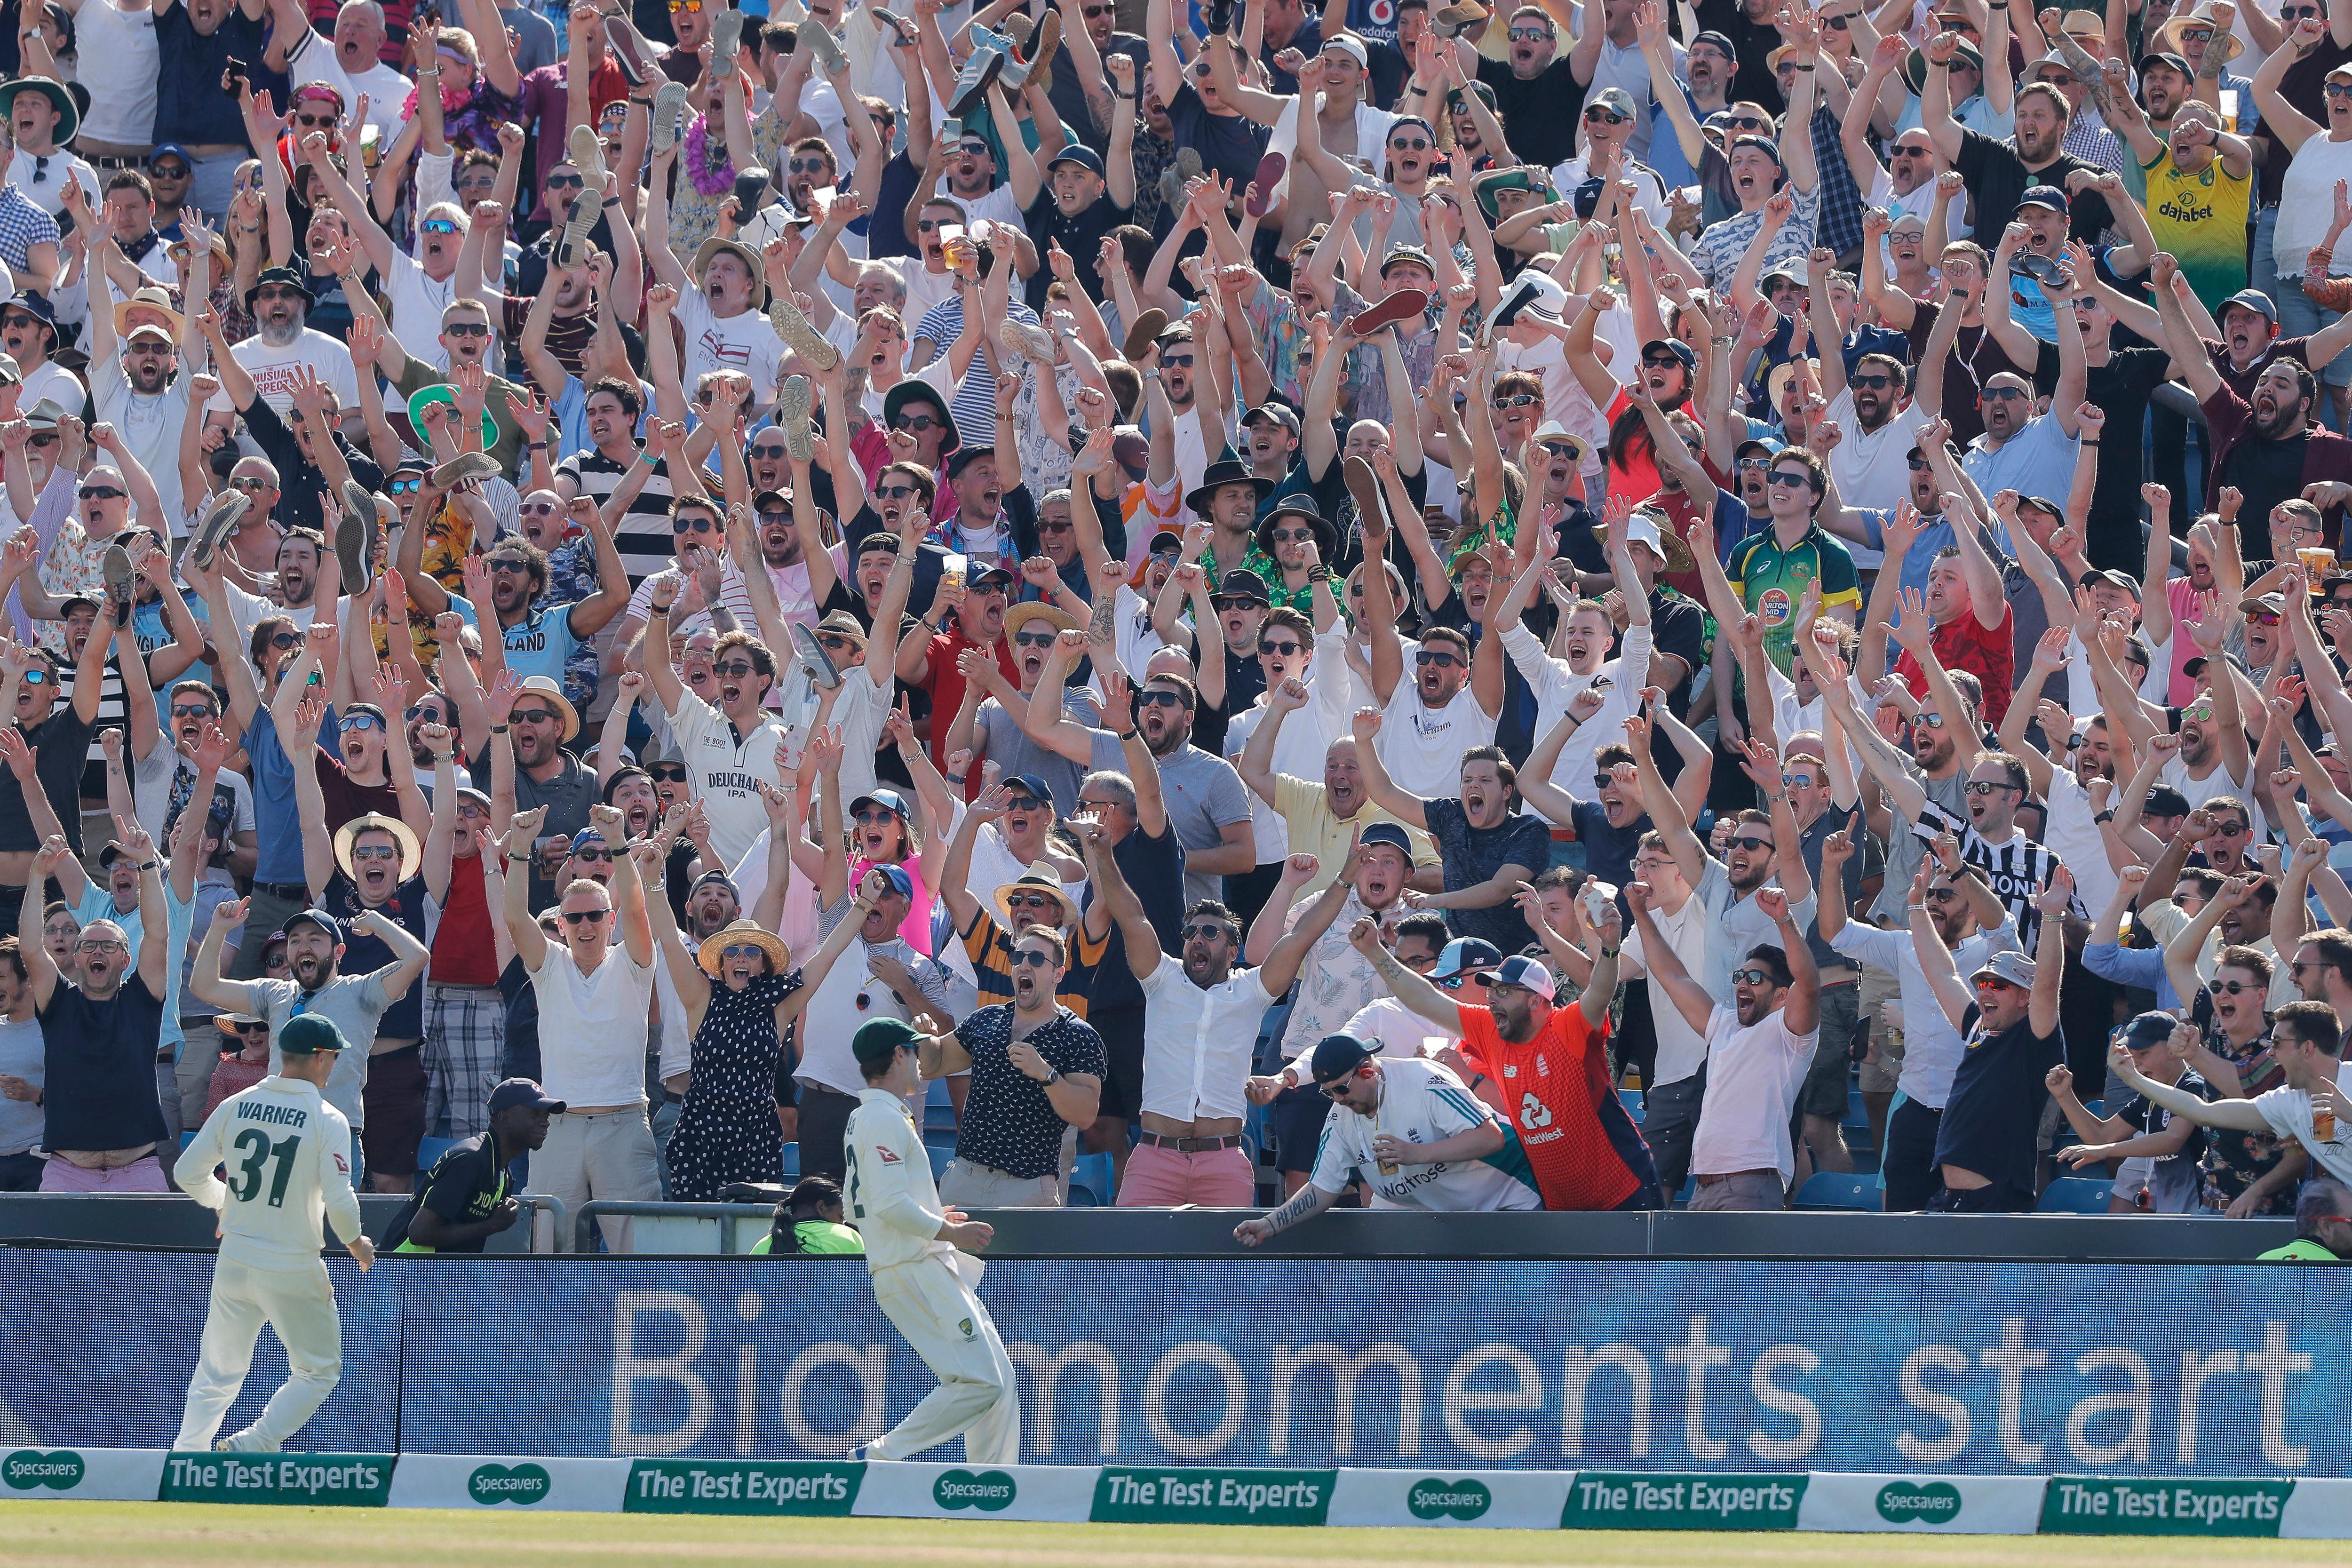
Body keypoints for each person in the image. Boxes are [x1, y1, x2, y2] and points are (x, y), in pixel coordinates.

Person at [1346, 904, 1665, 1211]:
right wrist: (1375, 952)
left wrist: (1610, 949)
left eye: (1504, 991)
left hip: (1624, 1191)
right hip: (1562, 1205)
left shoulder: (1568, 1026)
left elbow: (1600, 992)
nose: (1492, 1000)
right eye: (1490, 991)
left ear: (1534, 1000)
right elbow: (1425, 998)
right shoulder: (1490, 1030)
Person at [170, 1012, 374, 1454]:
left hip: (236, 1258)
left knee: (217, 1372)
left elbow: (188, 1172)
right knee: (318, 1370)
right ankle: (253, 1445)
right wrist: (356, 1242)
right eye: (334, 1055)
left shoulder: (238, 1102)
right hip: (290, 1261)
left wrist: (226, 1203)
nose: (335, 1063)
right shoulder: (327, 1117)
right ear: (320, 1058)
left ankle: (187, 1458)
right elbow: (340, 1199)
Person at [841, 1016, 1019, 1465]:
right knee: (984, 1382)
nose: (922, 1059)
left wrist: (929, 1212)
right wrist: (950, 1231)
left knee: (999, 1380)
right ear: (899, 1055)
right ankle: (880, 1457)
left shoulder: (869, 1116)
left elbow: (856, 1206)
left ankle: (992, 1488)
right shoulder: (882, 1117)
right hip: (914, 1266)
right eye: (915, 1050)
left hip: (913, 1262)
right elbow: (887, 1204)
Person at [1233, 1030, 1540, 1243]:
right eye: (1329, 1094)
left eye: (1341, 1088)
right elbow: (1322, 1189)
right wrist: (1270, 1223)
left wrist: (1416, 1154)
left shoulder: (1424, 1080)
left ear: (1368, 1071)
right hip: (1446, 1214)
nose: (1338, 1100)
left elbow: (1491, 1137)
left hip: (1510, 1202)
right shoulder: (1341, 1117)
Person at [916, 923, 1106, 1207]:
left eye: (1037, 960)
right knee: (952, 1255)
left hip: (1028, 1189)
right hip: (966, 1179)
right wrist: (923, 1039)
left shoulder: (1077, 1034)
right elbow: (935, 1063)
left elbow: (1087, 1114)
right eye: (1019, 957)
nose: (1025, 965)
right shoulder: (986, 1019)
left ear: (1058, 974)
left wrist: (1046, 1074)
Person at [381, 1077, 558, 1253]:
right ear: (505, 1118)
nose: (545, 1122)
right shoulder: (470, 1160)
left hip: (438, 1274)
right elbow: (420, 1233)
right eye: (535, 1114)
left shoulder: (502, 1170)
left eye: (546, 1116)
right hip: (401, 1272)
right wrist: (493, 1225)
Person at [751, 1173, 867, 1255]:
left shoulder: (764, 1245)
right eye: (840, 1216)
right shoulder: (849, 1236)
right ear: (821, 1208)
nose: (842, 1223)